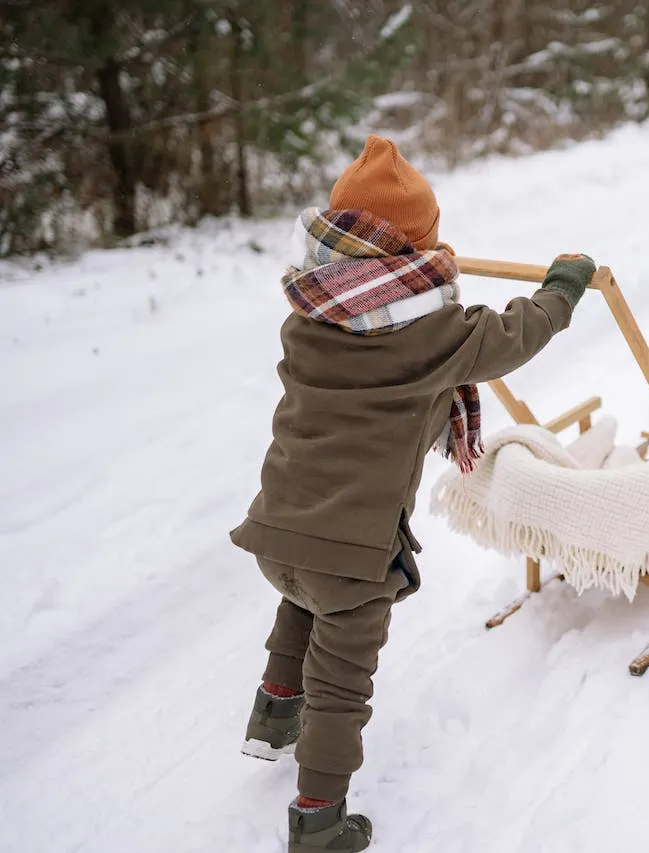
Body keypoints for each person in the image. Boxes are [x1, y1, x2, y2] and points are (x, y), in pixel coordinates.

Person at [229, 135, 595, 852]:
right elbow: (517, 335)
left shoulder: (306, 315)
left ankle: (272, 720)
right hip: (356, 555)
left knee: (300, 597)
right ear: (413, 253)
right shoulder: (434, 334)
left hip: (278, 529)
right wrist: (563, 288)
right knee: (342, 681)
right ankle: (318, 821)